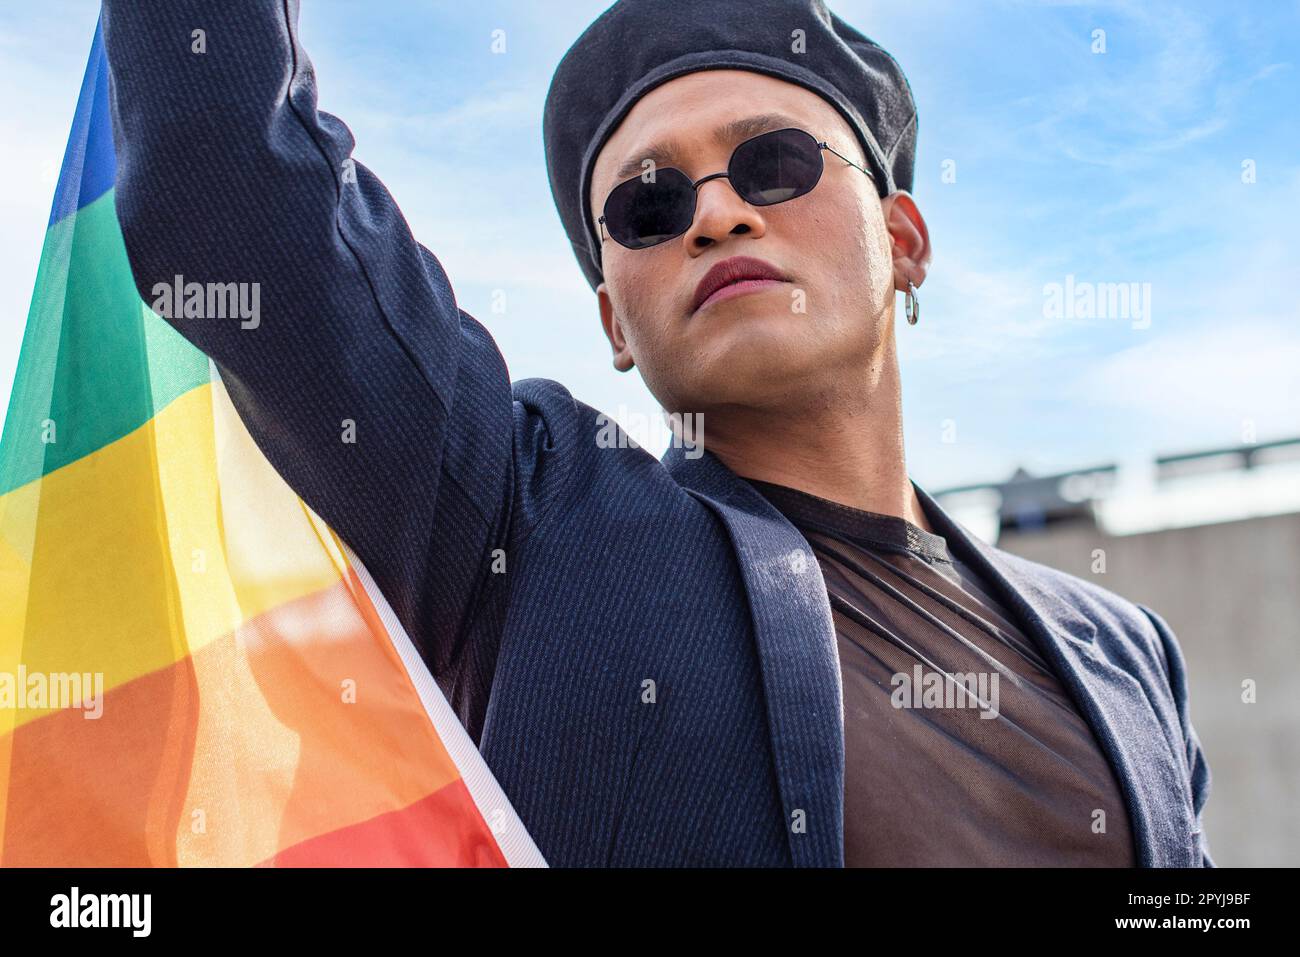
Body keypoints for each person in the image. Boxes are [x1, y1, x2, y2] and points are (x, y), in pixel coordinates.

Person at [100, 0, 1212, 866]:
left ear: (903, 238)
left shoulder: (1125, 653)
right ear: (611, 322)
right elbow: (232, 194)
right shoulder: (523, 521)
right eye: (648, 205)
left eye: (775, 162)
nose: (717, 213)